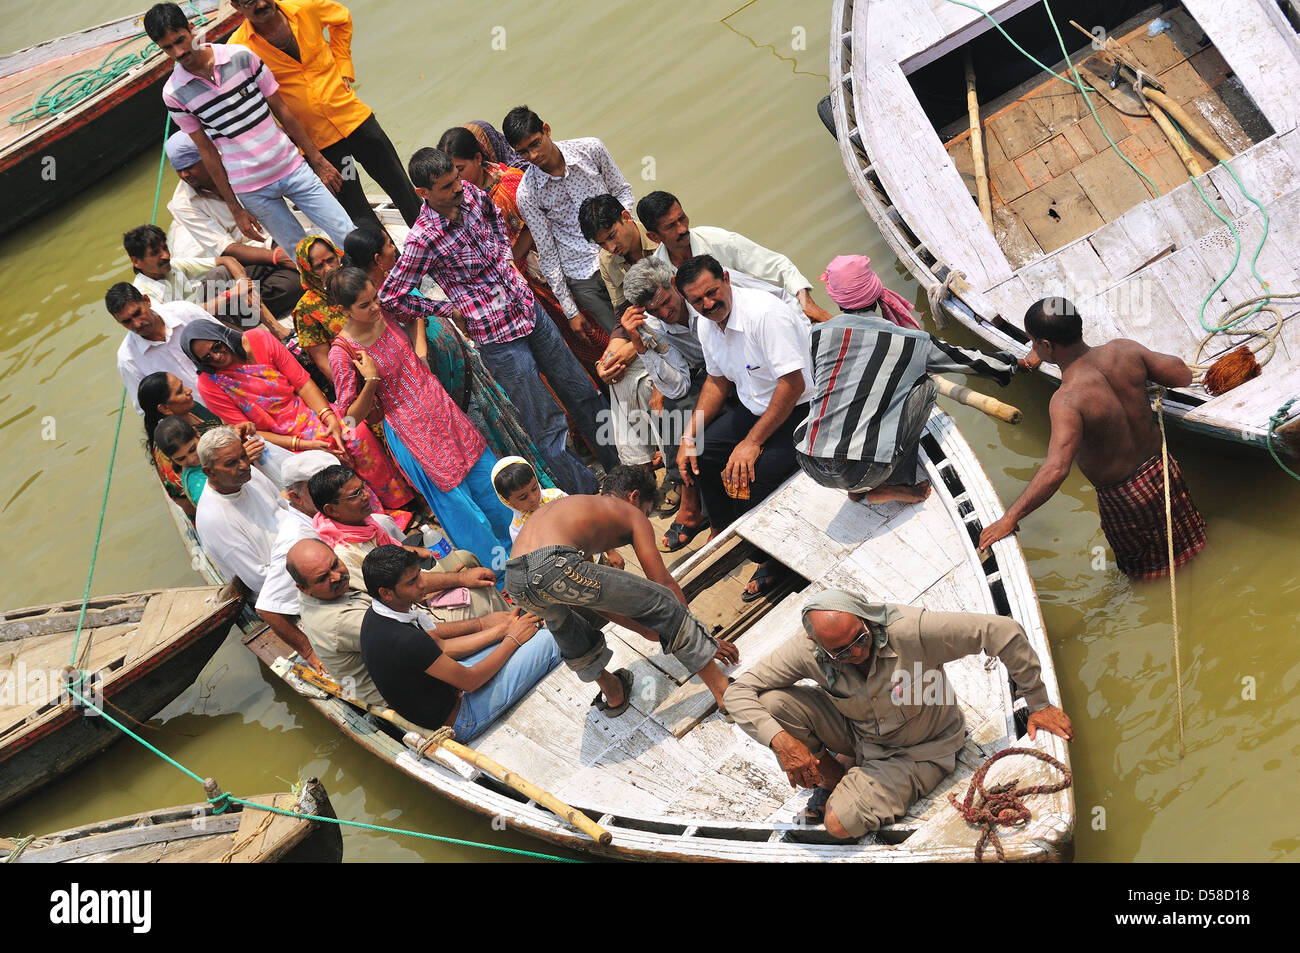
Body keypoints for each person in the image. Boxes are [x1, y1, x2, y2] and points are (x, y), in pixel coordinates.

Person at [724, 589, 1073, 841]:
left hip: (920, 748)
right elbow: (738, 692)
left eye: (860, 639)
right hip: (859, 732)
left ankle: (852, 776)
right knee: (771, 705)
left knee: (838, 825)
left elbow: (1002, 631)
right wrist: (783, 743)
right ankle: (833, 776)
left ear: (866, 619)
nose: (858, 652)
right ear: (817, 645)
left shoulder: (910, 629)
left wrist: (1039, 704)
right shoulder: (806, 650)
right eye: (842, 652)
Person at [379, 147, 616, 493]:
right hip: (498, 339)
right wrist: (449, 308)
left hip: (528, 310)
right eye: (446, 187)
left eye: (456, 179)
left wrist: (504, 255)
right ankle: (589, 494)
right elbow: (391, 296)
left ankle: (619, 467)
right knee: (547, 424)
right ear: (423, 194)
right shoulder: (422, 239)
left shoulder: (473, 195)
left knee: (583, 391)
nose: (457, 189)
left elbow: (494, 217)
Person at [978, 298, 1207, 579]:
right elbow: (1183, 376)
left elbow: (1056, 469)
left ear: (1047, 345)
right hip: (1163, 470)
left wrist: (1010, 518)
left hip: (1126, 497)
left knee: (1149, 572)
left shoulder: (1067, 401)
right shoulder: (1125, 350)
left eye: (1034, 343)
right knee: (1189, 544)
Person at [505, 464, 740, 717]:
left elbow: (596, 600)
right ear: (634, 497)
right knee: (665, 602)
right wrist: (704, 640)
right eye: (647, 511)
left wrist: (645, 630)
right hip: (554, 564)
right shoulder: (630, 512)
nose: (645, 518)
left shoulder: (576, 507)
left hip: (516, 580)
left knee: (564, 625)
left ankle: (614, 691)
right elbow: (662, 582)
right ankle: (723, 690)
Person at [326, 266, 514, 570]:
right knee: (461, 510)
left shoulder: (387, 310)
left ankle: (528, 547)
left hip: (442, 410)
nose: (375, 307)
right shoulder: (343, 352)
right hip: (411, 434)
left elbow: (418, 315)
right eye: (364, 305)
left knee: (491, 484)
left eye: (374, 298)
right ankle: (501, 576)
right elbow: (349, 419)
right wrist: (371, 381)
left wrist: (420, 354)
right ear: (343, 310)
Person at [343, 225, 558, 489]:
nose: (394, 249)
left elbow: (416, 315)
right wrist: (421, 356)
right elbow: (401, 327)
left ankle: (540, 482)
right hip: (439, 377)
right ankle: (521, 491)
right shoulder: (374, 304)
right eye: (389, 244)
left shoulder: (391, 283)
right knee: (483, 432)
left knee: (499, 418)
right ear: (377, 258)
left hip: (459, 361)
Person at [796, 255, 1023, 504]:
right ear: (876, 290)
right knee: (925, 386)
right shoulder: (913, 341)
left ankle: (856, 488)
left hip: (809, 460)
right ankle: (899, 484)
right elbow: (967, 361)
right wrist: (1014, 363)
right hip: (865, 472)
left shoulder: (816, 335)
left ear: (835, 297)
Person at [145, 3, 355, 258]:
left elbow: (283, 111)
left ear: (192, 29)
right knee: (304, 259)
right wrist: (236, 209)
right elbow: (207, 151)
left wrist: (318, 160)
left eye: (180, 40)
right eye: (168, 47)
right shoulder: (173, 94)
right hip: (252, 189)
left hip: (293, 167)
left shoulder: (240, 56)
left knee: (348, 237)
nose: (178, 51)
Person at [676, 255, 813, 602]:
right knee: (701, 456)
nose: (708, 304)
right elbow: (716, 381)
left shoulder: (764, 315)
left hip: (801, 409)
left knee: (746, 479)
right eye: (697, 301)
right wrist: (688, 434)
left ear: (725, 278)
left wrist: (752, 443)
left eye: (712, 293)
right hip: (755, 407)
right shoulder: (706, 324)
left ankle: (774, 559)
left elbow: (792, 384)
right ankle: (724, 530)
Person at [437, 125, 610, 390]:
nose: (457, 180)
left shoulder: (510, 185)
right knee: (567, 352)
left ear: (478, 159)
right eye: (451, 174)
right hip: (524, 290)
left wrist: (508, 260)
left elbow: (544, 225)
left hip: (551, 276)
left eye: (460, 170)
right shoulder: (466, 201)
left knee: (591, 332)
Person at [178, 317, 413, 509]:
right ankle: (376, 516)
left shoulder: (259, 339)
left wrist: (328, 417)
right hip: (279, 443)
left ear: (222, 336)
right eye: (207, 358)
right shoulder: (210, 384)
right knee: (323, 468)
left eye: (216, 347)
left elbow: (302, 383)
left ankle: (402, 502)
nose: (217, 357)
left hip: (307, 412)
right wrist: (302, 444)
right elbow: (251, 432)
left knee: (356, 431)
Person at [230, 0, 422, 227]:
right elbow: (245, 97)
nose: (261, 4)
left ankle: (435, 248)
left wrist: (343, 66)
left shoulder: (305, 7)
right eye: (250, 1)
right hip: (321, 144)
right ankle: (389, 261)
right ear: (236, 6)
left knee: (401, 188)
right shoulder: (240, 48)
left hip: (354, 119)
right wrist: (281, 131)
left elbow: (342, 19)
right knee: (358, 212)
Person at [360, 545, 561, 740]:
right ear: (386, 592)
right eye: (412, 582)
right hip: (460, 719)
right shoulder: (403, 638)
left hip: (450, 686)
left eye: (419, 575)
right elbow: (470, 682)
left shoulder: (379, 613)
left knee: (526, 635)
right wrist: (513, 639)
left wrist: (502, 630)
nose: (422, 585)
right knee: (548, 639)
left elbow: (442, 648)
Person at [193, 426, 323, 670]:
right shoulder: (214, 518)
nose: (243, 465)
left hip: (308, 551)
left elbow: (286, 509)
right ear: (209, 472)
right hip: (286, 586)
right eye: (232, 463)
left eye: (243, 456)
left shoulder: (248, 475)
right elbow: (259, 581)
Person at [309, 464, 508, 620]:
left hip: (411, 583)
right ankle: (507, 625)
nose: (366, 496)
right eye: (355, 495)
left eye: (363, 488)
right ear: (331, 510)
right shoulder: (343, 554)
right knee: (476, 591)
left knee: (462, 558)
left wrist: (429, 554)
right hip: (407, 607)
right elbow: (391, 596)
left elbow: (395, 553)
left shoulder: (361, 523)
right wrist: (454, 580)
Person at [504, 106, 635, 336]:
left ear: (546, 129)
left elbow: (622, 192)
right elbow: (547, 252)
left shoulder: (590, 149)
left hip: (620, 257)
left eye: (535, 143)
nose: (533, 156)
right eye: (523, 152)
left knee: (657, 318)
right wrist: (570, 310)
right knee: (627, 338)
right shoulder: (527, 193)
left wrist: (627, 240)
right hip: (582, 276)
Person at [163, 131, 305, 320]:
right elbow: (226, 248)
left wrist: (280, 253)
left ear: (207, 156)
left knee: (303, 268)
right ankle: (239, 312)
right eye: (178, 170)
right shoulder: (183, 203)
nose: (184, 174)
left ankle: (244, 311)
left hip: (275, 238)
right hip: (243, 262)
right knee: (291, 285)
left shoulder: (238, 165)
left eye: (189, 167)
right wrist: (277, 258)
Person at [621, 257, 712, 548]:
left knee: (678, 410)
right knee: (673, 406)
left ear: (673, 284)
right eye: (654, 309)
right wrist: (640, 344)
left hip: (736, 368)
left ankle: (688, 499)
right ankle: (687, 492)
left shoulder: (701, 294)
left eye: (666, 301)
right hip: (709, 373)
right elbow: (679, 385)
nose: (665, 311)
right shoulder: (653, 323)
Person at [636, 190, 832, 323]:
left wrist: (806, 301)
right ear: (654, 236)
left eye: (682, 218)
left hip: (762, 319)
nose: (683, 228)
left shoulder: (718, 240)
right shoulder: (657, 273)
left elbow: (777, 265)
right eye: (671, 226)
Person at [123, 223, 289, 339]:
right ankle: (249, 338)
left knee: (223, 271)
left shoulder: (173, 266)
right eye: (155, 253)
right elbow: (187, 317)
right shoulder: (143, 295)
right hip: (194, 332)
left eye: (165, 248)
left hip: (212, 313)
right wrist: (232, 294)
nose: (166, 255)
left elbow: (227, 260)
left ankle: (275, 328)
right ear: (136, 261)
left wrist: (241, 283)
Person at [490, 455, 624, 569]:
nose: (533, 498)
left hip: (595, 556)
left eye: (534, 488)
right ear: (507, 501)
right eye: (523, 497)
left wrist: (611, 551)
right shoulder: (518, 529)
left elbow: (589, 521)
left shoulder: (557, 496)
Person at [109, 283, 207, 416]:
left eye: (137, 313)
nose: (137, 324)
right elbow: (147, 410)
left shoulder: (184, 312)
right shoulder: (128, 359)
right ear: (118, 322)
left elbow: (231, 343)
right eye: (127, 321)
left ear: (147, 301)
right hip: (201, 420)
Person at [291, 235, 348, 378]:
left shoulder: (353, 281)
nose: (329, 269)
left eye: (331, 260)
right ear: (308, 270)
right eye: (319, 266)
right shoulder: (306, 309)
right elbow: (325, 363)